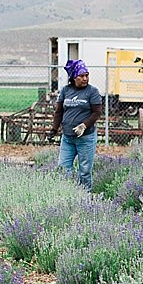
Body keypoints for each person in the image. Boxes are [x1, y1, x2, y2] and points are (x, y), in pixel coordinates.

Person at [50, 59, 104, 191]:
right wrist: (54, 129)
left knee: (84, 170)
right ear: (74, 77)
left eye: (87, 75)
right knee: (63, 168)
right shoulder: (65, 91)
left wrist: (84, 125)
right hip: (67, 138)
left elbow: (97, 113)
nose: (85, 78)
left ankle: (85, 196)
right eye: (81, 76)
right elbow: (59, 112)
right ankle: (66, 193)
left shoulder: (92, 92)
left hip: (85, 139)